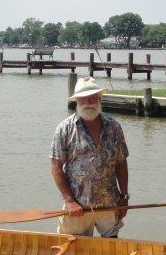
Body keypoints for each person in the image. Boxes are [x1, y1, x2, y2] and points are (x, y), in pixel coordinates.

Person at [49, 77, 129, 237]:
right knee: (72, 251)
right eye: (83, 98)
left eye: (92, 96)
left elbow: (121, 163)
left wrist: (124, 197)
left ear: (99, 98)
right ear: (77, 101)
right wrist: (70, 201)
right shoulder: (65, 129)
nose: (88, 102)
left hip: (109, 203)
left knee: (111, 248)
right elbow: (56, 168)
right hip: (78, 207)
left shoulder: (114, 126)